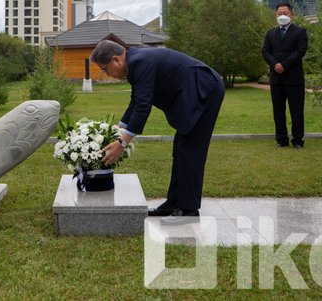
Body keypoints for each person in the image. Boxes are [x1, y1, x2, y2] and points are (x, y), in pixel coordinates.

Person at [91, 40, 225, 217]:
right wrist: (118, 128)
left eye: (105, 69)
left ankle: (188, 209)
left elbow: (143, 106)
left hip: (204, 90)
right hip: (194, 92)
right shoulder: (134, 62)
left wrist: (122, 143)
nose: (107, 74)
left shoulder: (140, 62)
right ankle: (174, 202)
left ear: (116, 60)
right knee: (180, 149)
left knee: (191, 150)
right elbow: (136, 100)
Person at [261, 1, 309, 149]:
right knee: (278, 111)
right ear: (275, 15)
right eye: (279, 14)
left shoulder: (300, 32)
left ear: (292, 15)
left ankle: (297, 140)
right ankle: (281, 139)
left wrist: (284, 65)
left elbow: (300, 52)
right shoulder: (270, 33)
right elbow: (265, 51)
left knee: (296, 111)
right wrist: (275, 64)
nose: (282, 16)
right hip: (276, 79)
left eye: (285, 13)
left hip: (294, 79)